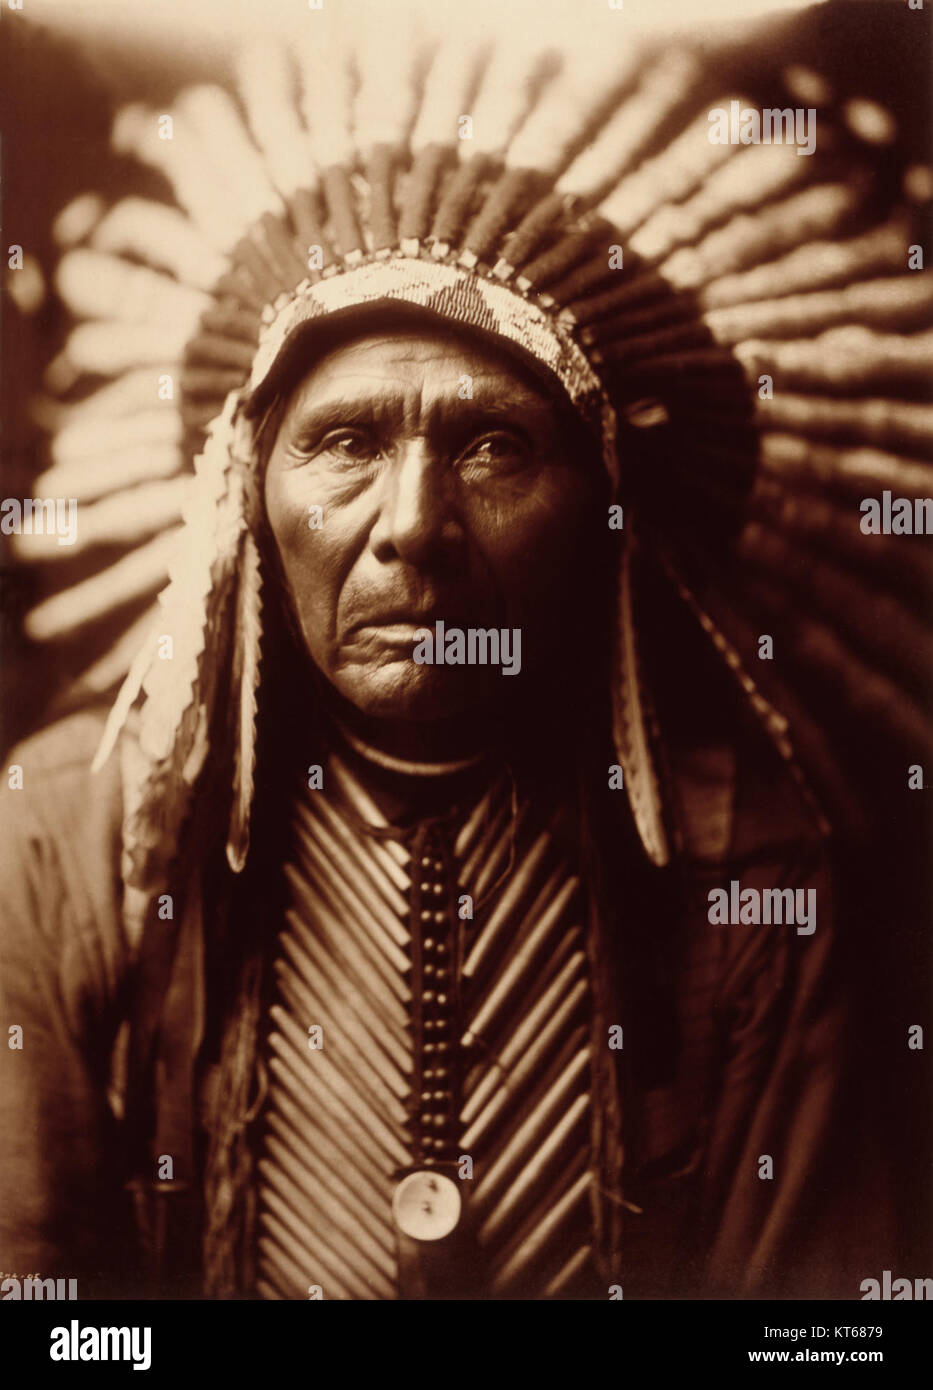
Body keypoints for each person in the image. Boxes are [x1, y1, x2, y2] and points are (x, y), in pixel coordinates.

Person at [0, 20, 910, 1300]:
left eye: (492, 445)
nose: (413, 526)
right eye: (346, 443)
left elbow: (816, 1332)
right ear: (245, 501)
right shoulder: (79, 841)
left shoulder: (743, 863)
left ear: (602, 509)